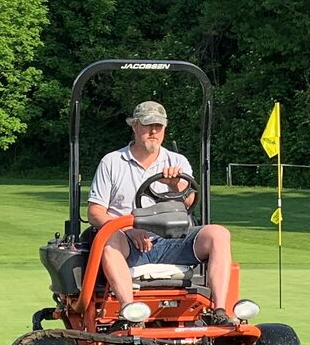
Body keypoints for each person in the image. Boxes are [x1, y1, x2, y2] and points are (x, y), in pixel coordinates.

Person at [86, 99, 237, 322]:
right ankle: (131, 311)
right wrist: (128, 229)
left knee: (219, 234)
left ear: (165, 129)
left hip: (172, 240)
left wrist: (175, 184)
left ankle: (220, 311)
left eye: (159, 126)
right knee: (108, 239)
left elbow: (190, 201)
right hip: (128, 243)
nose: (153, 131)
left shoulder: (177, 161)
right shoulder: (113, 162)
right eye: (148, 125)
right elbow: (95, 212)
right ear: (135, 126)